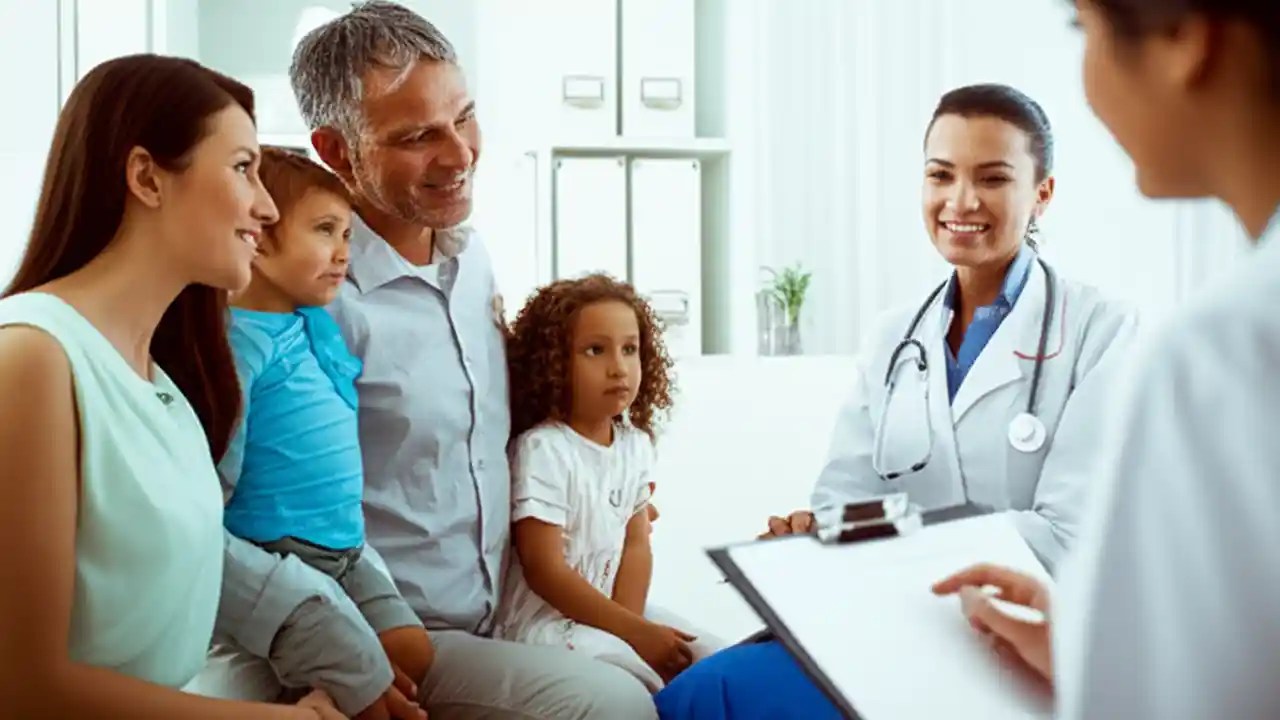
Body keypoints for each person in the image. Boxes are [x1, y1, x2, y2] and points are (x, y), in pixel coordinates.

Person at [653, 83, 1140, 719]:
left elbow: (1066, 535)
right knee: (703, 692)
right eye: (941, 175)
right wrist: (816, 531)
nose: (961, 201)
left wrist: (897, 539)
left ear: (1041, 194)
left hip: (1022, 637)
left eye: (992, 179)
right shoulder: (895, 335)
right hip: (892, 621)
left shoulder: (1100, 331)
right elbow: (843, 495)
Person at [289, 2, 660, 717]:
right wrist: (343, 652)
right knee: (615, 707)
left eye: (464, 117)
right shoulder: (323, 303)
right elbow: (283, 508)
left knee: (731, 665)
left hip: (515, 604)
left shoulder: (470, 255)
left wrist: (601, 482)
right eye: (417, 136)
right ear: (337, 152)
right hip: (408, 636)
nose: (459, 153)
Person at [935, 1, 1280, 717]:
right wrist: (1088, 649)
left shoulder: (1224, 352)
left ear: (1185, 38)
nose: (962, 200)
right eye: (941, 174)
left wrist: (1112, 670)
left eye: (1082, 30)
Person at [0, 53, 344, 719]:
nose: (268, 207)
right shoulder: (32, 357)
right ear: (146, 179)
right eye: (244, 168)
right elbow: (23, 687)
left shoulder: (167, 390)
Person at [218, 147, 432, 720]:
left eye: (346, 234)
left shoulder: (315, 320)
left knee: (414, 649)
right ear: (260, 237)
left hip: (348, 547)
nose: (344, 253)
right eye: (324, 231)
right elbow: (216, 478)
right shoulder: (236, 344)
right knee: (364, 690)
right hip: (280, 551)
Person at [494, 274, 703, 693]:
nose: (618, 367)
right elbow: (544, 570)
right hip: (544, 627)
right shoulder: (544, 449)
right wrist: (631, 635)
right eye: (595, 350)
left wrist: (632, 630)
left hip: (606, 618)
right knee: (643, 683)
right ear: (553, 362)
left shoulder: (635, 445)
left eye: (630, 349)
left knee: (709, 661)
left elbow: (636, 544)